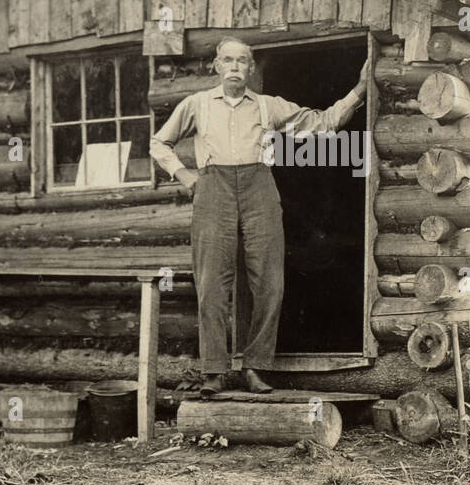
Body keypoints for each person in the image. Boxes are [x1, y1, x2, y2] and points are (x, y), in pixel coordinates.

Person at [149, 38, 368, 397]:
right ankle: (213, 373)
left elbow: (324, 124)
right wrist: (185, 176)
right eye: (228, 60)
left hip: (259, 189)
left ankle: (255, 368)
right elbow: (159, 143)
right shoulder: (197, 105)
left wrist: (358, 90)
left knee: (269, 282)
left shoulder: (269, 107)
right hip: (213, 188)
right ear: (216, 66)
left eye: (242, 61)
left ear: (251, 69)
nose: (235, 67)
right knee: (212, 284)